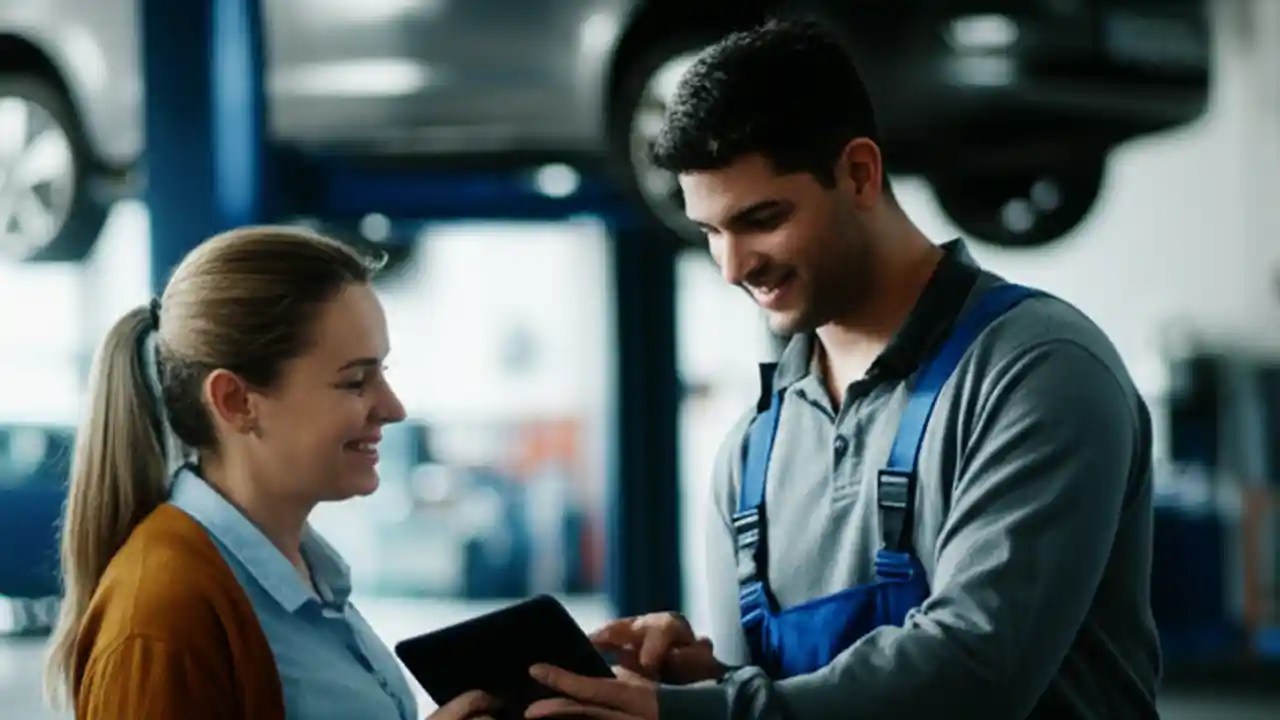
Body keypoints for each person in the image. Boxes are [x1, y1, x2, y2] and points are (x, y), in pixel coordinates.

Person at [525, 17, 1161, 720]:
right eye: (711, 232)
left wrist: (697, 716)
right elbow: (776, 696)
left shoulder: (1035, 373)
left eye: (762, 218)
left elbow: (976, 673)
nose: (734, 267)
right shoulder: (752, 452)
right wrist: (695, 678)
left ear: (859, 173)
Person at [43, 227, 499, 720]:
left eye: (383, 373)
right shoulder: (162, 614)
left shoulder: (302, 577)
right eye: (355, 381)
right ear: (236, 402)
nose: (393, 407)